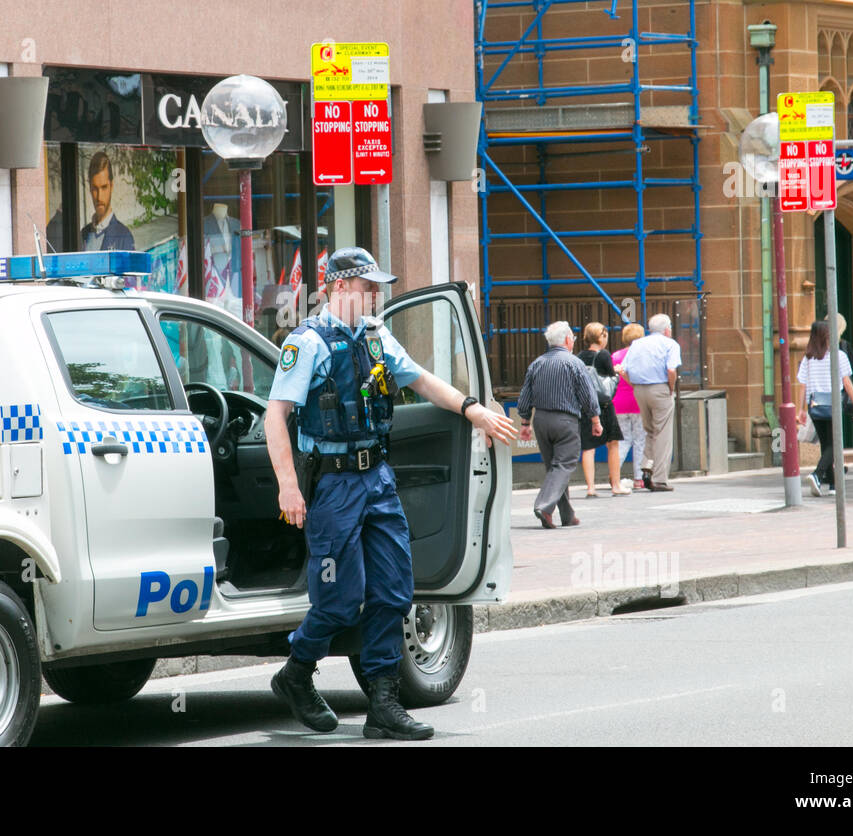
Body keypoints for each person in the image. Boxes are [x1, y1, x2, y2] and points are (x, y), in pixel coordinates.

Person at [264, 247, 517, 740]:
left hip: (377, 479)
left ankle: (383, 705)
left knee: (395, 589)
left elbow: (421, 380)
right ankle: (295, 673)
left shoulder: (376, 336)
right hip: (334, 485)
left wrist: (472, 409)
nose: (375, 295)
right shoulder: (308, 342)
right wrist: (288, 488)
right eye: (367, 287)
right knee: (339, 599)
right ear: (339, 288)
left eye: (378, 287)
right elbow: (276, 416)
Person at [518, 321, 603, 528]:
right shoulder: (574, 363)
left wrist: (525, 423)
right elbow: (587, 395)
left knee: (555, 467)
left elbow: (525, 397)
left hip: (541, 421)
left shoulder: (536, 363)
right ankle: (545, 507)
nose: (573, 341)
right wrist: (595, 419)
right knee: (563, 465)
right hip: (565, 421)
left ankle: (567, 515)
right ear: (567, 340)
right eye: (572, 338)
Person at [616, 314, 681, 491]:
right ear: (667, 329)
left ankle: (646, 466)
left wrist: (634, 385)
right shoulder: (670, 344)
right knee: (663, 434)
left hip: (639, 390)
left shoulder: (637, 344)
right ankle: (659, 478)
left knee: (650, 430)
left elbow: (623, 369)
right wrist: (670, 387)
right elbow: (671, 369)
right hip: (660, 388)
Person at [796, 320, 853, 497]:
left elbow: (802, 385)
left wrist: (801, 409)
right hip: (833, 403)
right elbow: (847, 382)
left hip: (814, 405)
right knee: (834, 443)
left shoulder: (808, 359)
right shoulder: (838, 356)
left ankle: (833, 483)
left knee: (826, 443)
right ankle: (817, 475)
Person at [577, 323, 627, 497]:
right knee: (612, 444)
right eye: (604, 335)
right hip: (604, 405)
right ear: (601, 336)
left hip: (586, 407)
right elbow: (610, 377)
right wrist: (617, 371)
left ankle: (591, 488)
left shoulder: (580, 356)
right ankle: (616, 485)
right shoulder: (604, 355)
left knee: (588, 447)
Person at [610, 323, 647, 488]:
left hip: (618, 403)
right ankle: (639, 478)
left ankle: (614, 475)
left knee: (622, 440)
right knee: (640, 439)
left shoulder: (615, 356)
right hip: (638, 401)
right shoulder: (641, 355)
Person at [80, 151, 134, 252]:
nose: (99, 197)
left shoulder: (124, 236)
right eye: (95, 188)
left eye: (104, 187)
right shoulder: (83, 234)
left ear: (111, 186)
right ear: (90, 189)